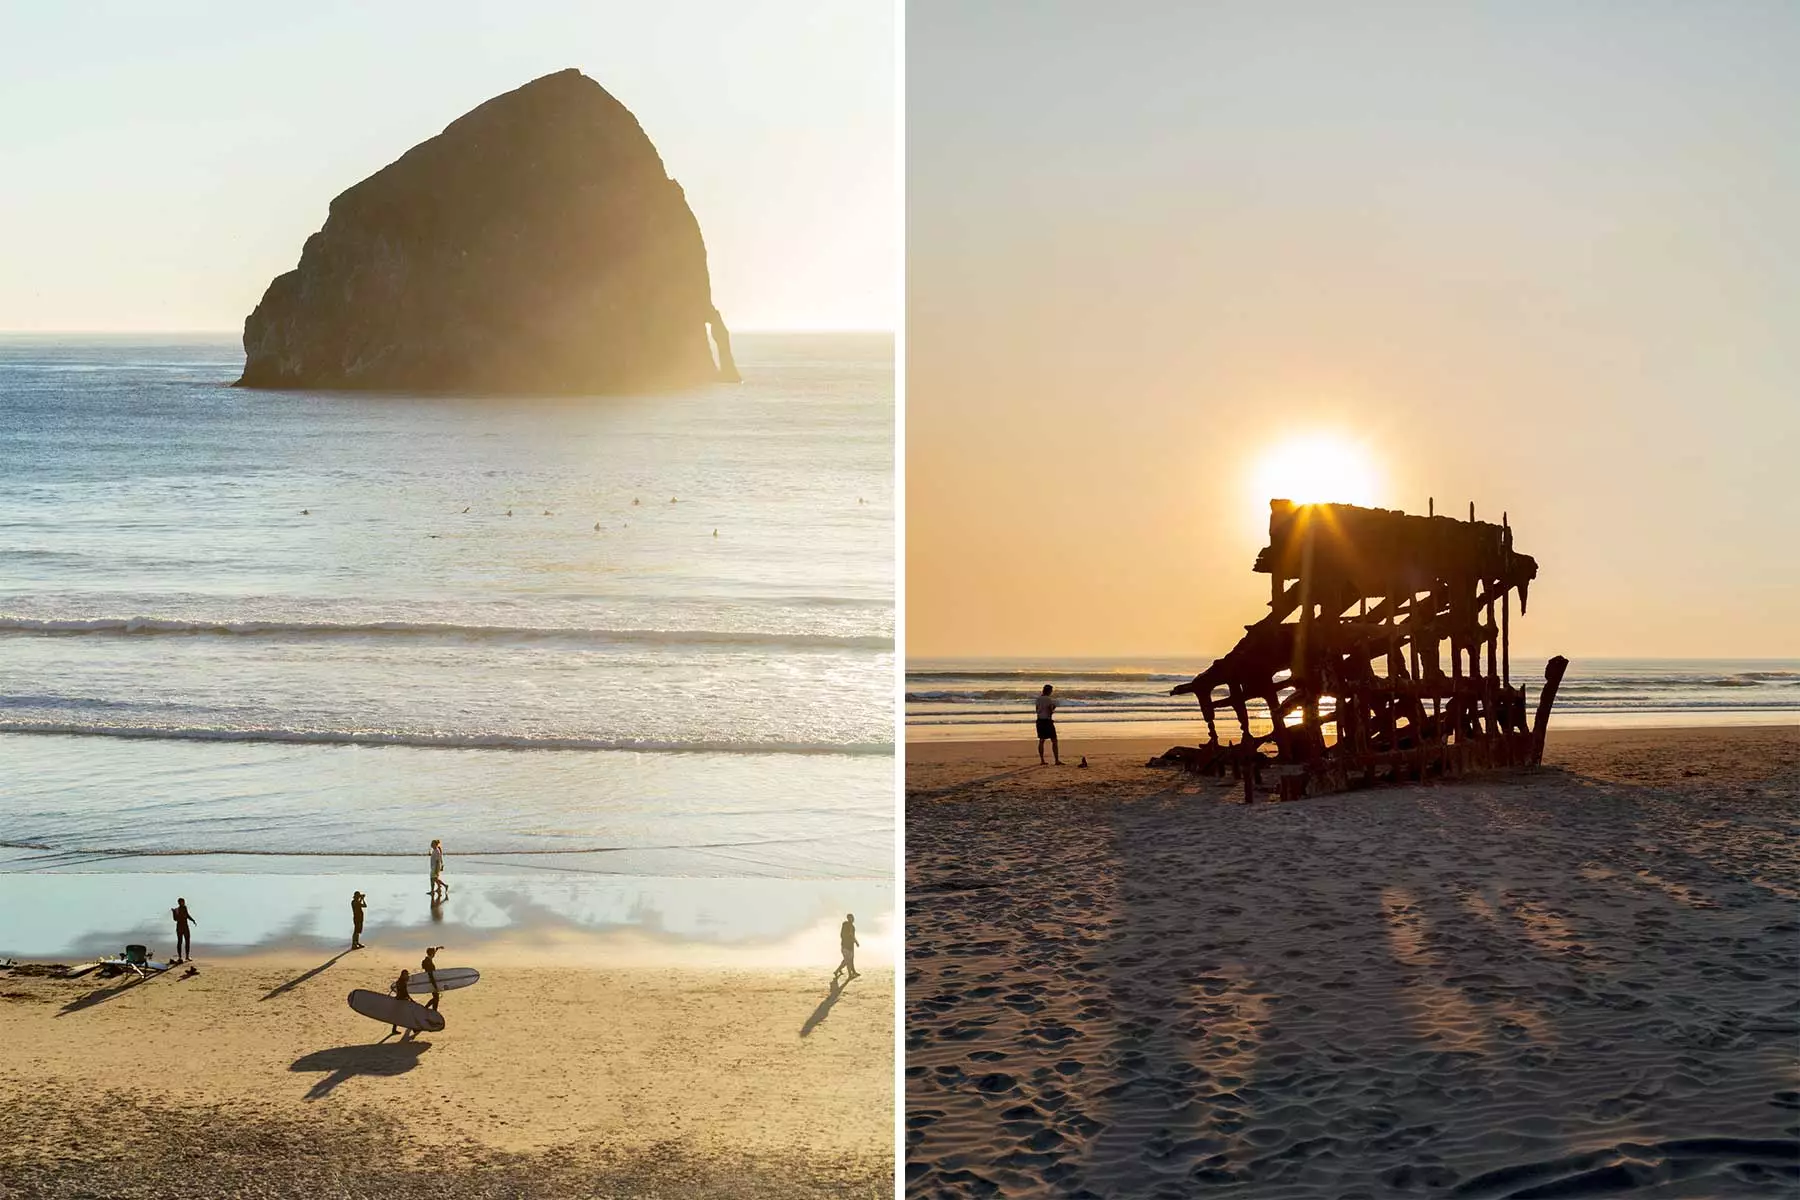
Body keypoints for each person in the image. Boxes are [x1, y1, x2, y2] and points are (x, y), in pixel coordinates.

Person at [1035, 684, 1062, 765]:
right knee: (1054, 740)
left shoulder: (1038, 699)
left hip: (1039, 721)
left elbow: (1037, 710)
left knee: (1041, 741)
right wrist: (1054, 707)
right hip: (1047, 721)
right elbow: (1050, 711)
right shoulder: (1049, 699)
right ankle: (1056, 760)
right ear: (1049, 691)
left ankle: (1042, 760)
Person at [835, 913, 860, 982]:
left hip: (851, 946)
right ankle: (850, 975)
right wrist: (856, 942)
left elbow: (852, 935)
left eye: (852, 918)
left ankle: (838, 971)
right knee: (848, 960)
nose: (852, 919)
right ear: (848, 918)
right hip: (845, 946)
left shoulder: (853, 927)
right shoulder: (846, 924)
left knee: (849, 960)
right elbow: (849, 934)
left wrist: (855, 942)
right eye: (850, 918)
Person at [390, 967, 413, 1038]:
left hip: (399, 999)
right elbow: (404, 992)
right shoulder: (402, 982)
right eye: (406, 975)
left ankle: (394, 1029)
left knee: (398, 1015)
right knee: (408, 1013)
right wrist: (410, 999)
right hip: (402, 1000)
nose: (407, 976)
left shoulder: (399, 981)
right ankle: (413, 1028)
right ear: (403, 975)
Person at [171, 898, 196, 963]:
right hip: (179, 927)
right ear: (179, 903)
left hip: (185, 927)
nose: (183, 903)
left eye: (183, 902)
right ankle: (180, 957)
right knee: (180, 942)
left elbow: (187, 915)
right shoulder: (177, 910)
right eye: (181, 902)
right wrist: (173, 913)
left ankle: (187, 956)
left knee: (187, 941)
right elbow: (175, 919)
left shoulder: (185, 908)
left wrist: (193, 920)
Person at [420, 945, 444, 1010]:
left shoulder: (428, 959)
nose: (434, 955)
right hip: (431, 981)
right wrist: (435, 987)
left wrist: (438, 948)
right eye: (433, 953)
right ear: (432, 954)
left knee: (436, 997)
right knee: (436, 997)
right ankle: (426, 1008)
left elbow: (433, 952)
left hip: (431, 981)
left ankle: (433, 1010)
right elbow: (430, 975)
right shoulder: (428, 962)